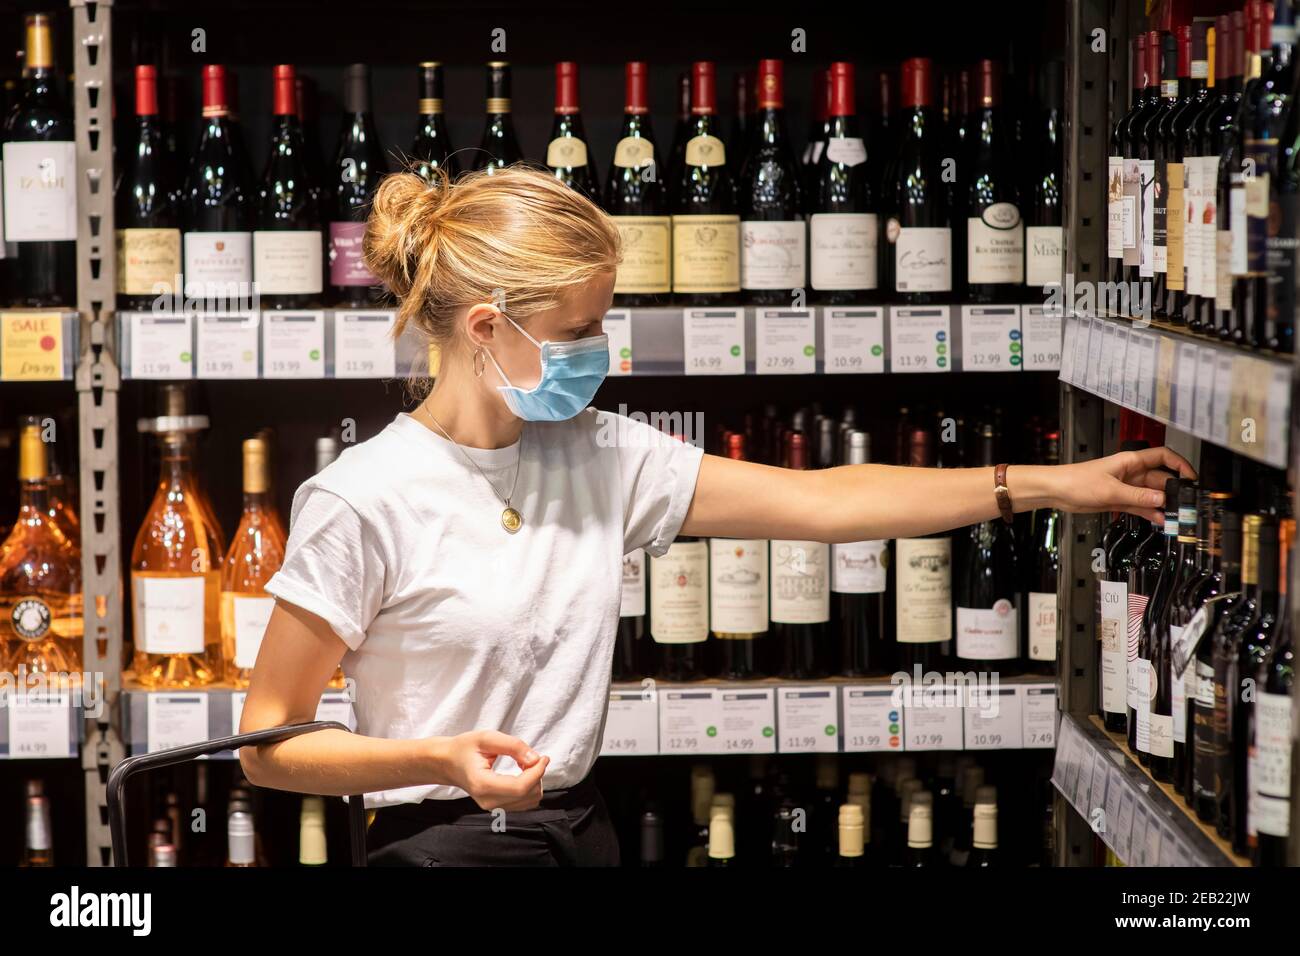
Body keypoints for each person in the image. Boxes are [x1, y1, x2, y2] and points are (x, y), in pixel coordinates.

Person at [237, 165, 1193, 867]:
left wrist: (1050, 483)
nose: (597, 352)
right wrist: (440, 755)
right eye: (576, 333)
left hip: (581, 831)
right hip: (434, 848)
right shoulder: (364, 497)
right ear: (488, 327)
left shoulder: (600, 454)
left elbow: (823, 502)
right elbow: (272, 746)